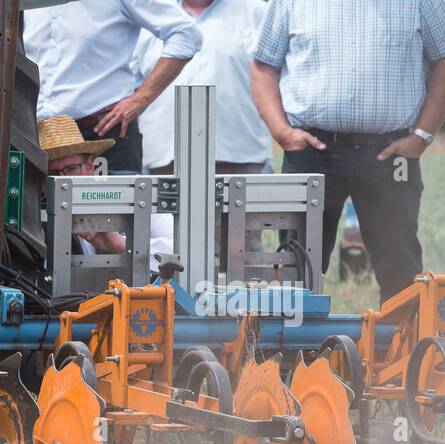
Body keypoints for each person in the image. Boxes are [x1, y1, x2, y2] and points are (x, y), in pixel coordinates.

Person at [250, 0, 445, 303]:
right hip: (311, 151)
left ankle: (402, 348)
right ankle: (292, 349)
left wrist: (423, 136)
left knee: (400, 266)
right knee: (296, 268)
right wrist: (282, 132)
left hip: (392, 155)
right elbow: (264, 66)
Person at [25, 0, 203, 175]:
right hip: (36, 135)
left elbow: (186, 34)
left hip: (103, 130)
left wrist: (141, 99)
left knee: (113, 204)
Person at [134, 0, 272, 177]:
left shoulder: (257, 12)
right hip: (163, 161)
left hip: (242, 160)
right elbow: (127, 85)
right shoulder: (146, 11)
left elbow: (277, 77)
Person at [38, 116, 125, 255]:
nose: (63, 181)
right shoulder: (33, 221)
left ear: (91, 165)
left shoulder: (130, 190)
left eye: (72, 169)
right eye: (52, 173)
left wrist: (120, 244)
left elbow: (171, 249)